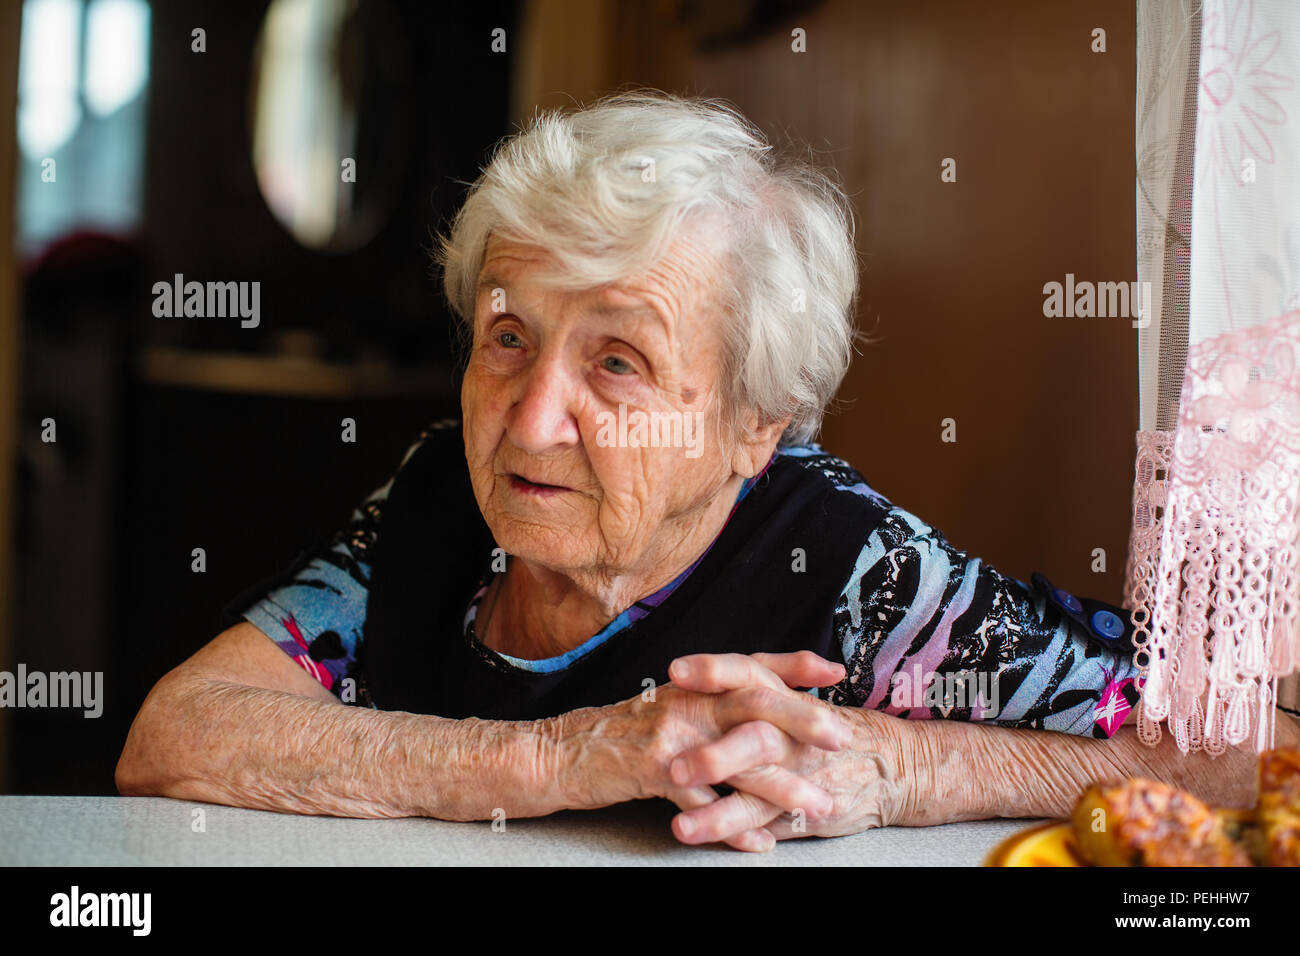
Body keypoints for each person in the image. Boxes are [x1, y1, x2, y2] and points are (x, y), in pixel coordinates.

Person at [117, 91, 1293, 852]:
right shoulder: (438, 498)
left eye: (618, 362)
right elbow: (175, 733)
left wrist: (890, 765)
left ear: (751, 423)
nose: (530, 421)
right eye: (508, 335)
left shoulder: (845, 563)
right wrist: (562, 753)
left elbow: (1220, 746)